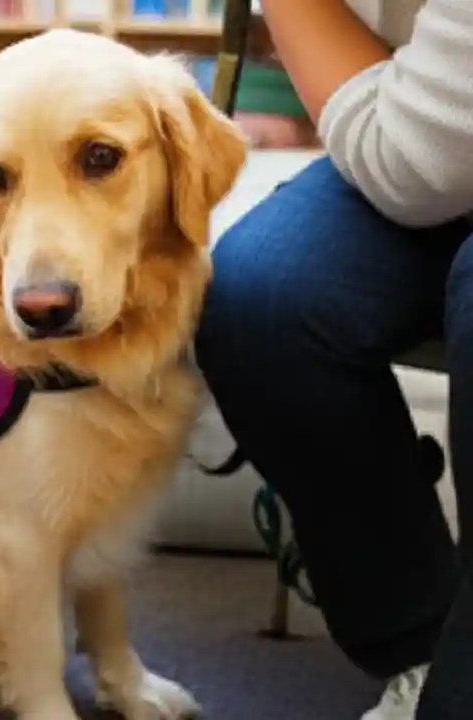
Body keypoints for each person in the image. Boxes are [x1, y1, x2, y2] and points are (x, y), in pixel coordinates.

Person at [194, 1, 472, 718]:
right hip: (440, 124)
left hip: (434, 142)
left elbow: (416, 164)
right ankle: (419, 641)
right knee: (264, 296)